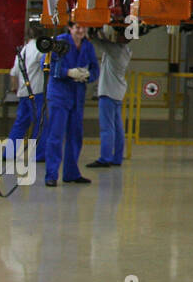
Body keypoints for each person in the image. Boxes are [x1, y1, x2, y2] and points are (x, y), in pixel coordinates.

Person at [43, 22, 101, 187]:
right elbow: (46, 64)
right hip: (59, 96)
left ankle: (71, 173)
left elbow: (95, 68)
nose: (81, 30)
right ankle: (51, 175)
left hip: (77, 97)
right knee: (55, 136)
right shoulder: (59, 42)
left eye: (84, 27)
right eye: (77, 27)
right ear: (70, 28)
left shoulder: (88, 46)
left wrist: (88, 75)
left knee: (75, 136)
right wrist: (66, 72)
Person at [88, 26, 133, 168]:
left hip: (108, 92)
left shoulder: (116, 50)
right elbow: (107, 42)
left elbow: (100, 43)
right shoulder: (125, 50)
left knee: (107, 127)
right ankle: (117, 157)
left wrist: (91, 33)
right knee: (118, 127)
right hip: (117, 92)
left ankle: (105, 158)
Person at [7, 23, 46, 162]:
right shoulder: (40, 49)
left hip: (23, 93)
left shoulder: (23, 50)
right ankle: (39, 154)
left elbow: (13, 73)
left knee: (21, 122)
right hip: (37, 93)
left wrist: (15, 88)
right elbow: (46, 66)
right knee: (40, 124)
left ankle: (8, 153)